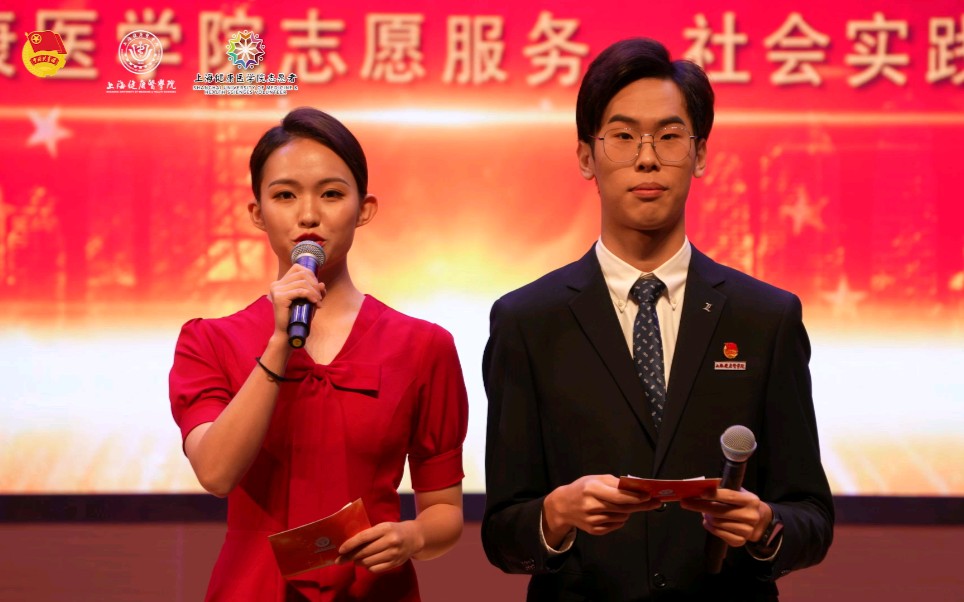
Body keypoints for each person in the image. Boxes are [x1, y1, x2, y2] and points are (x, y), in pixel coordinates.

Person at [481, 38, 833, 600]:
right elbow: (502, 533)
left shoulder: (766, 318)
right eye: (623, 137)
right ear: (586, 156)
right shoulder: (527, 322)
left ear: (700, 154)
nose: (647, 158)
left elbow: (811, 515)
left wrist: (766, 527)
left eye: (669, 137)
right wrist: (555, 514)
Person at [169, 107, 469, 601]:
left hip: (375, 590)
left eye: (331, 194)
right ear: (256, 213)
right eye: (285, 195)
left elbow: (444, 512)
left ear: (364, 209)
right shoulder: (210, 342)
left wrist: (411, 537)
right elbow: (216, 473)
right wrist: (278, 345)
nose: (308, 214)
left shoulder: (423, 346)